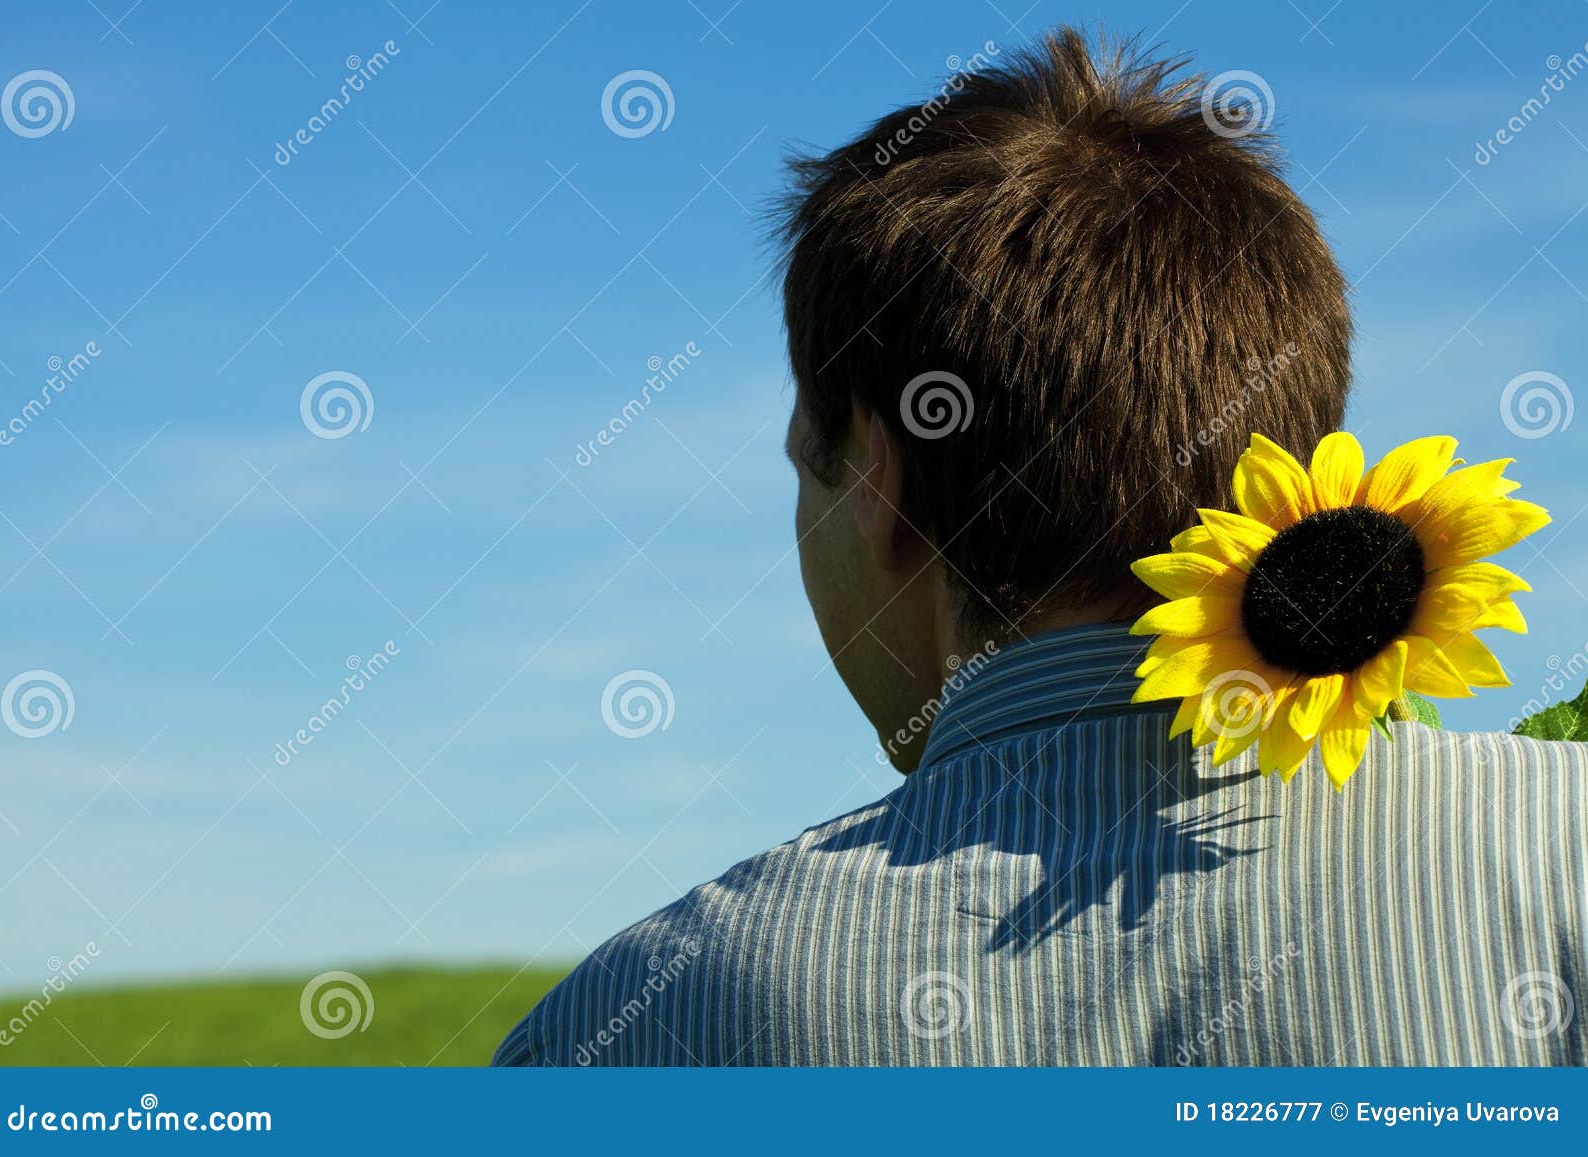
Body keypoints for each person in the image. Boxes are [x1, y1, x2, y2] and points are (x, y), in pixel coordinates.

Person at [494, 28, 1586, 1066]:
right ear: (1305, 482)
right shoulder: (1559, 855)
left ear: (880, 475)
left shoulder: (624, 1032)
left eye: (802, 466)